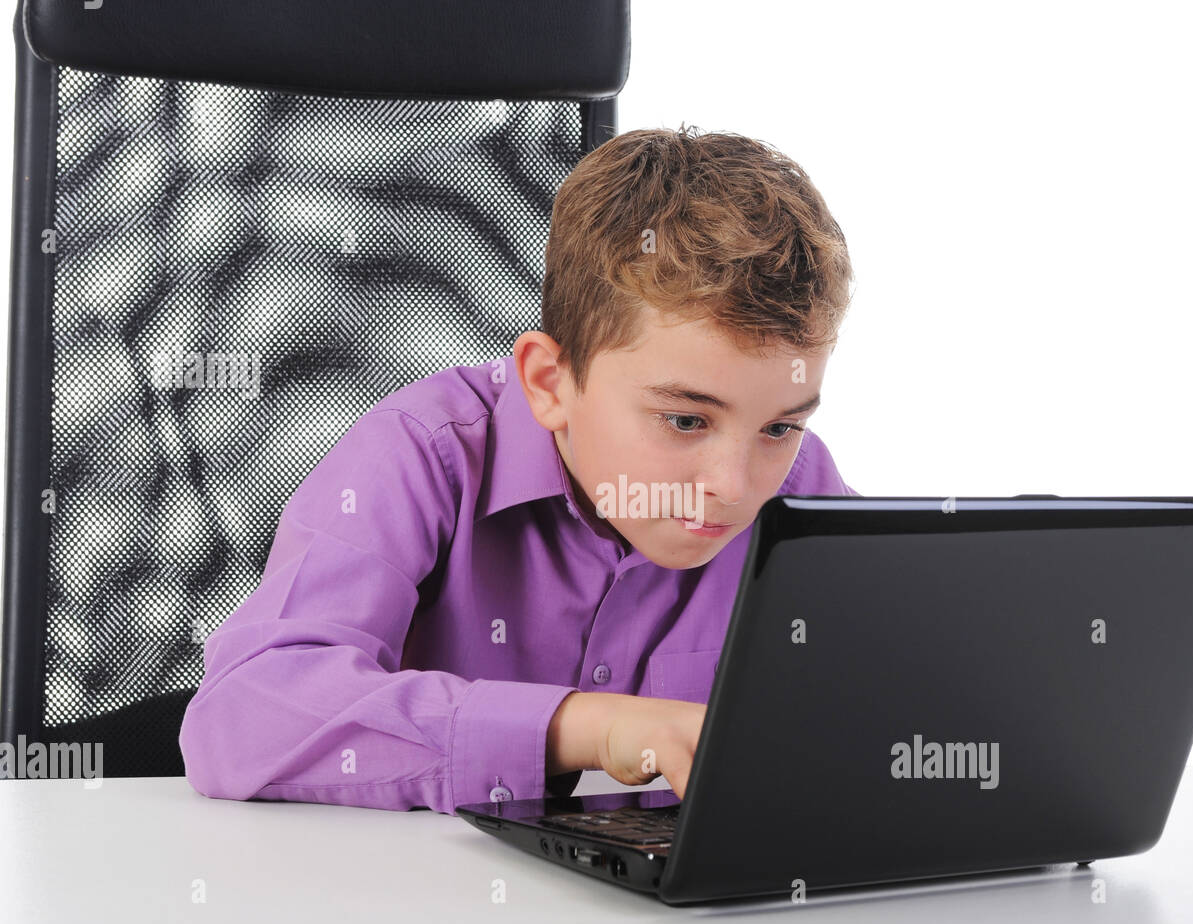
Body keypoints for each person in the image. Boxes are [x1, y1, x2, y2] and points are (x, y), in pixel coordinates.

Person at [179, 124, 859, 813]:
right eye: (685, 420)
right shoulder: (421, 455)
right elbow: (241, 720)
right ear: (548, 381)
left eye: (780, 426)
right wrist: (584, 726)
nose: (734, 487)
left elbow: (902, 703)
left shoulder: (802, 494)